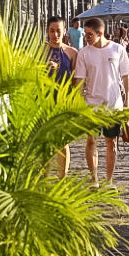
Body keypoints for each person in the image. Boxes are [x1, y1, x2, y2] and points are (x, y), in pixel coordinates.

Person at [73, 16, 129, 183]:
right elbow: (79, 80)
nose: (86, 38)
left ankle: (109, 180)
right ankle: (94, 179)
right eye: (85, 34)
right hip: (92, 105)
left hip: (113, 104)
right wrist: (76, 102)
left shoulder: (117, 49)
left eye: (90, 34)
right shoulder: (84, 53)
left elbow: (126, 76)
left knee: (111, 143)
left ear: (101, 33)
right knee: (91, 141)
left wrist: (128, 101)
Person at [46, 16, 78, 178]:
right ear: (47, 31)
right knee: (43, 143)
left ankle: (61, 179)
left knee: (63, 143)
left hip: (63, 102)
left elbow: (75, 82)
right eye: (52, 31)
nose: (55, 34)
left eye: (58, 30)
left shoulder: (72, 53)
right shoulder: (40, 52)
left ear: (64, 31)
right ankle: (44, 177)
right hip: (43, 102)